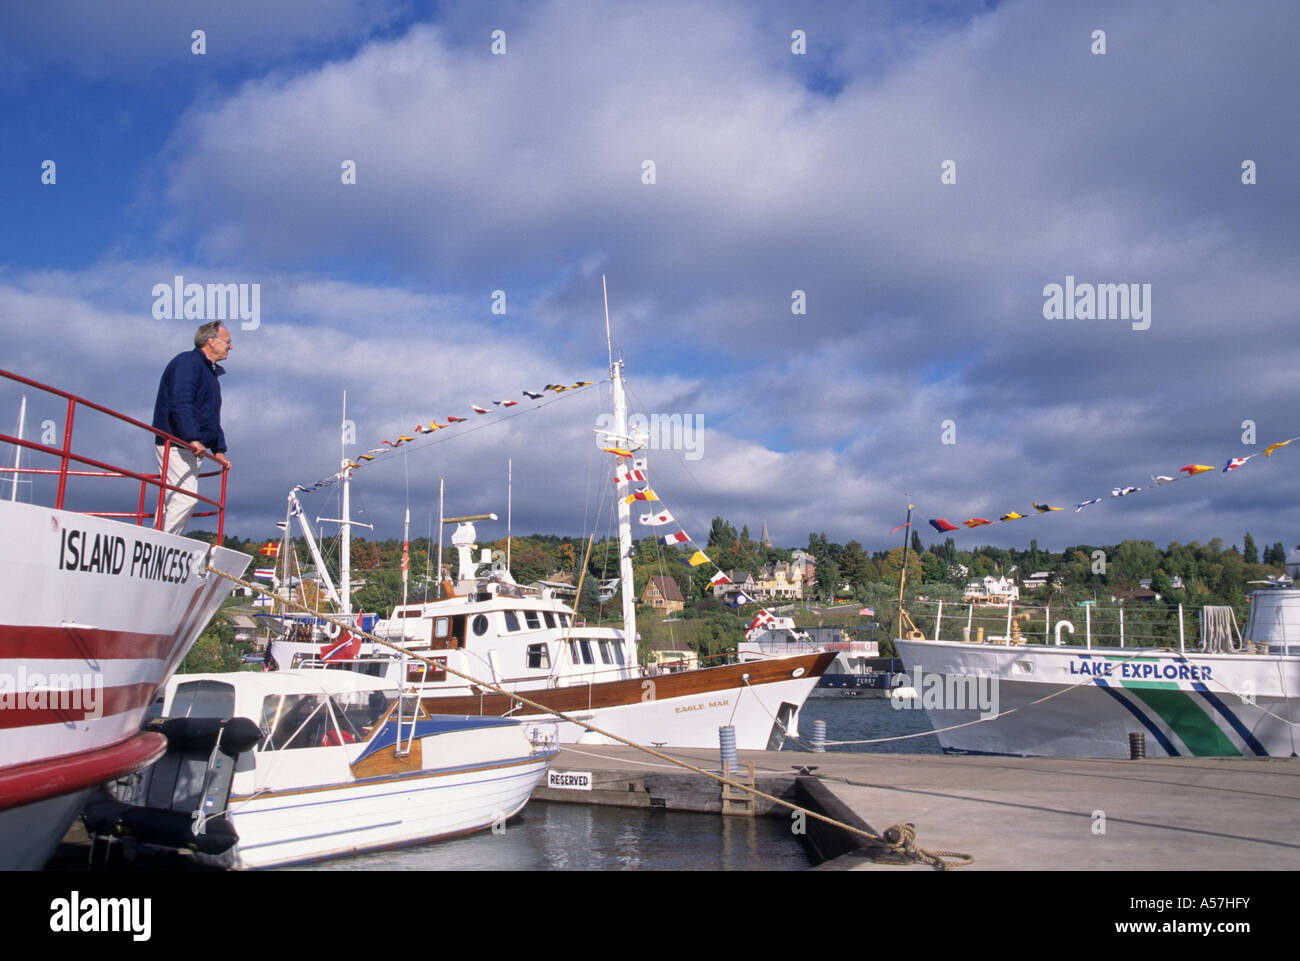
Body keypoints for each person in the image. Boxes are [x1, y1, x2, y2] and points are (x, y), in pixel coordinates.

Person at [152, 321, 233, 534]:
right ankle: (161, 546)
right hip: (177, 443)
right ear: (210, 341)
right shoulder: (187, 363)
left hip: (189, 446)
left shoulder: (209, 374)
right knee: (185, 499)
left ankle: (158, 544)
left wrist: (219, 450)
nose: (230, 347)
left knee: (174, 499)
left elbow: (211, 416)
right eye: (227, 342)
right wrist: (191, 437)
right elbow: (181, 402)